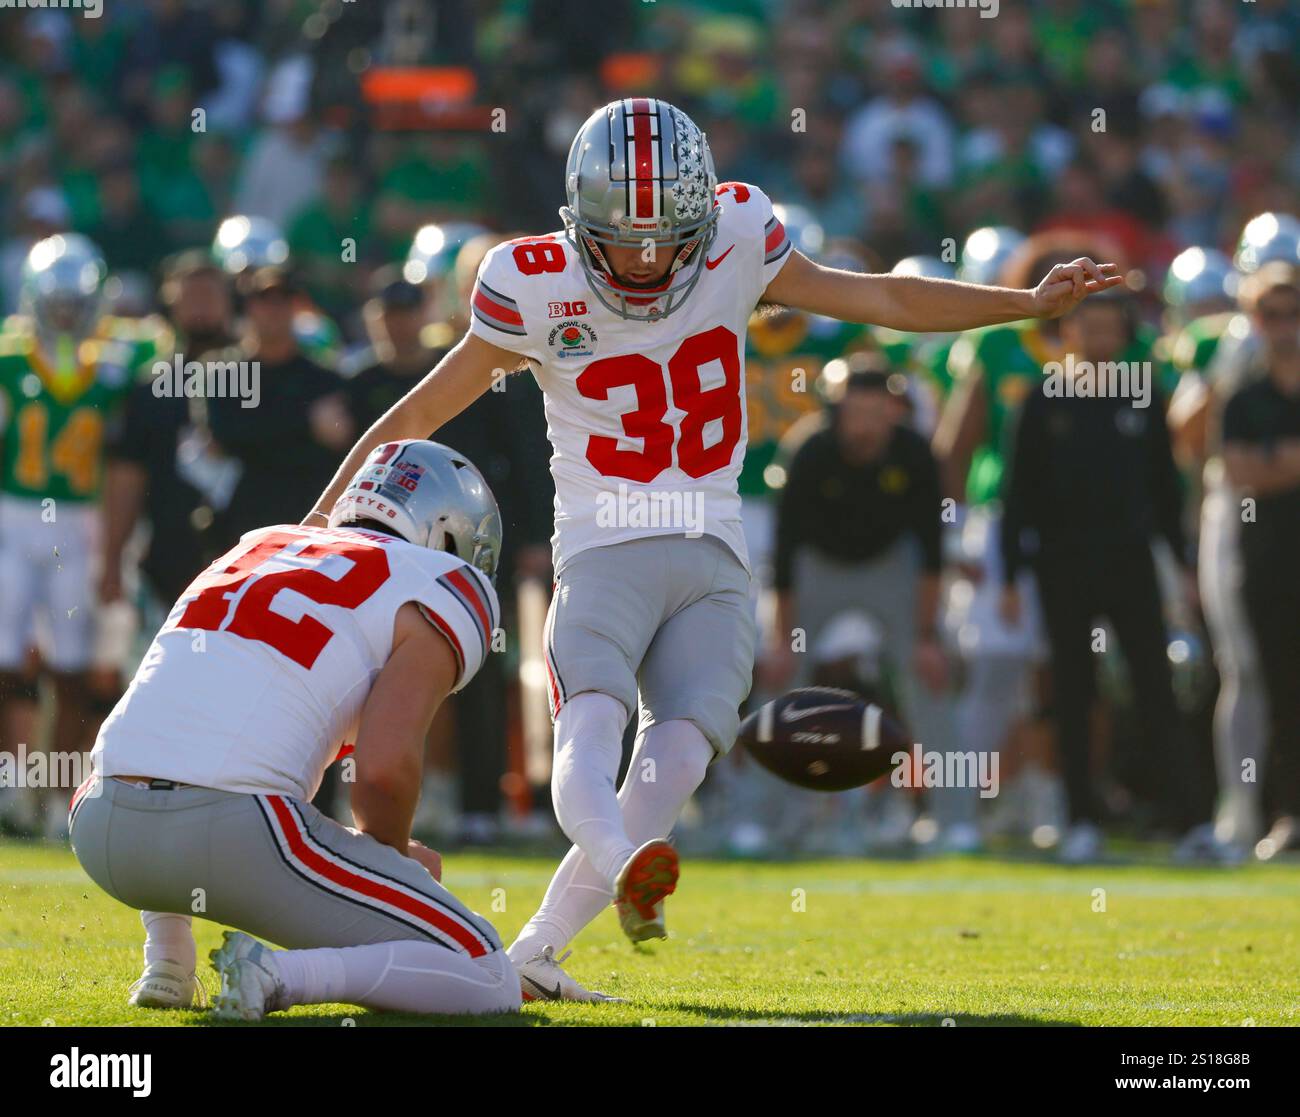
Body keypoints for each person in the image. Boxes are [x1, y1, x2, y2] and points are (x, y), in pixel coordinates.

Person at [304, 98, 1122, 1000]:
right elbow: (422, 407)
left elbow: (884, 296)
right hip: (604, 541)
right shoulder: (531, 279)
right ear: (579, 219)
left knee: (685, 751)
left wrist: (1023, 303)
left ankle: (534, 947)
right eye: (627, 240)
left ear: (702, 216)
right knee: (592, 724)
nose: (651, 259)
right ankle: (624, 864)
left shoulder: (738, 228)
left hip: (714, 542)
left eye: (668, 238)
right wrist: (319, 518)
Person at [70, 440, 519, 1021]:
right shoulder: (440, 581)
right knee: (488, 972)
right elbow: (382, 771)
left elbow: (175, 701)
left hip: (98, 818)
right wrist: (392, 859)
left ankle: (168, 959)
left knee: (189, 733)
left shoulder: (261, 544)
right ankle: (277, 976)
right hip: (231, 834)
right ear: (451, 535)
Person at [998, 291, 1209, 863]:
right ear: (1068, 332)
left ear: (1122, 335)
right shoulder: (1042, 398)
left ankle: (1188, 821)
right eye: (1087, 327)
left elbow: (1167, 490)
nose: (1098, 339)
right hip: (1061, 565)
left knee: (1156, 688)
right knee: (1072, 691)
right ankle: (1080, 819)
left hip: (1131, 561)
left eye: (1109, 329)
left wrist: (1184, 567)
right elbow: (1017, 494)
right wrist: (1012, 575)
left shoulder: (1143, 395)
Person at [1220, 263, 1300, 859]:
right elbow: (1241, 473)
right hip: (1270, 562)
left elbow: (1262, 467)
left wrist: (1280, 461)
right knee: (1276, 688)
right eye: (1271, 315)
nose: (1285, 328)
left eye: (1294, 313)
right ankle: (1286, 813)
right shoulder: (1244, 395)